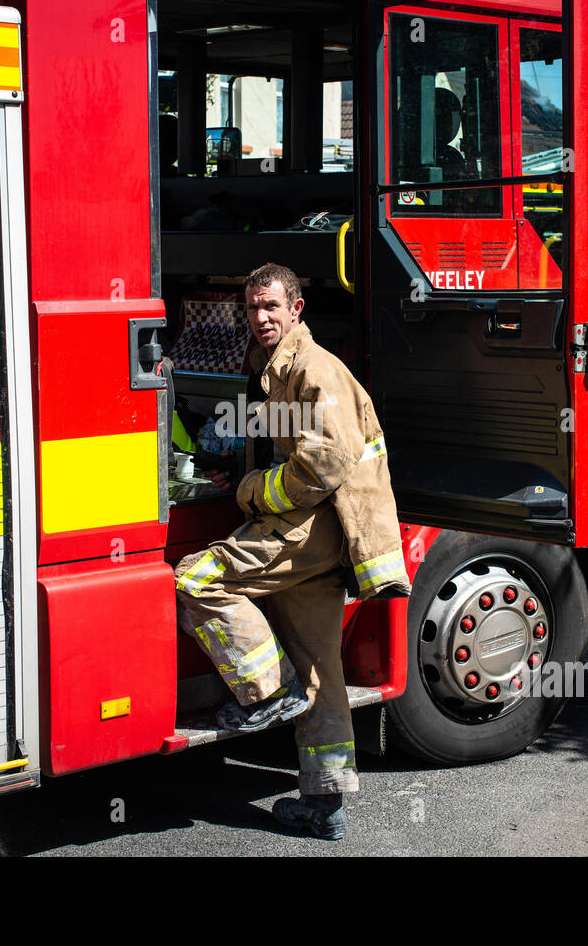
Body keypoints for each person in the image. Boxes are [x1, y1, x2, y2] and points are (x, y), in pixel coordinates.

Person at [173, 263, 410, 840]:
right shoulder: (277, 368)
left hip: (309, 531)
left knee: (196, 580)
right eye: (252, 308)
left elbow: (325, 461)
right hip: (320, 532)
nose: (260, 318)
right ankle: (325, 804)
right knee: (322, 669)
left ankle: (268, 692)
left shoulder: (312, 369)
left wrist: (252, 491)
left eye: (271, 306)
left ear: (297, 309)